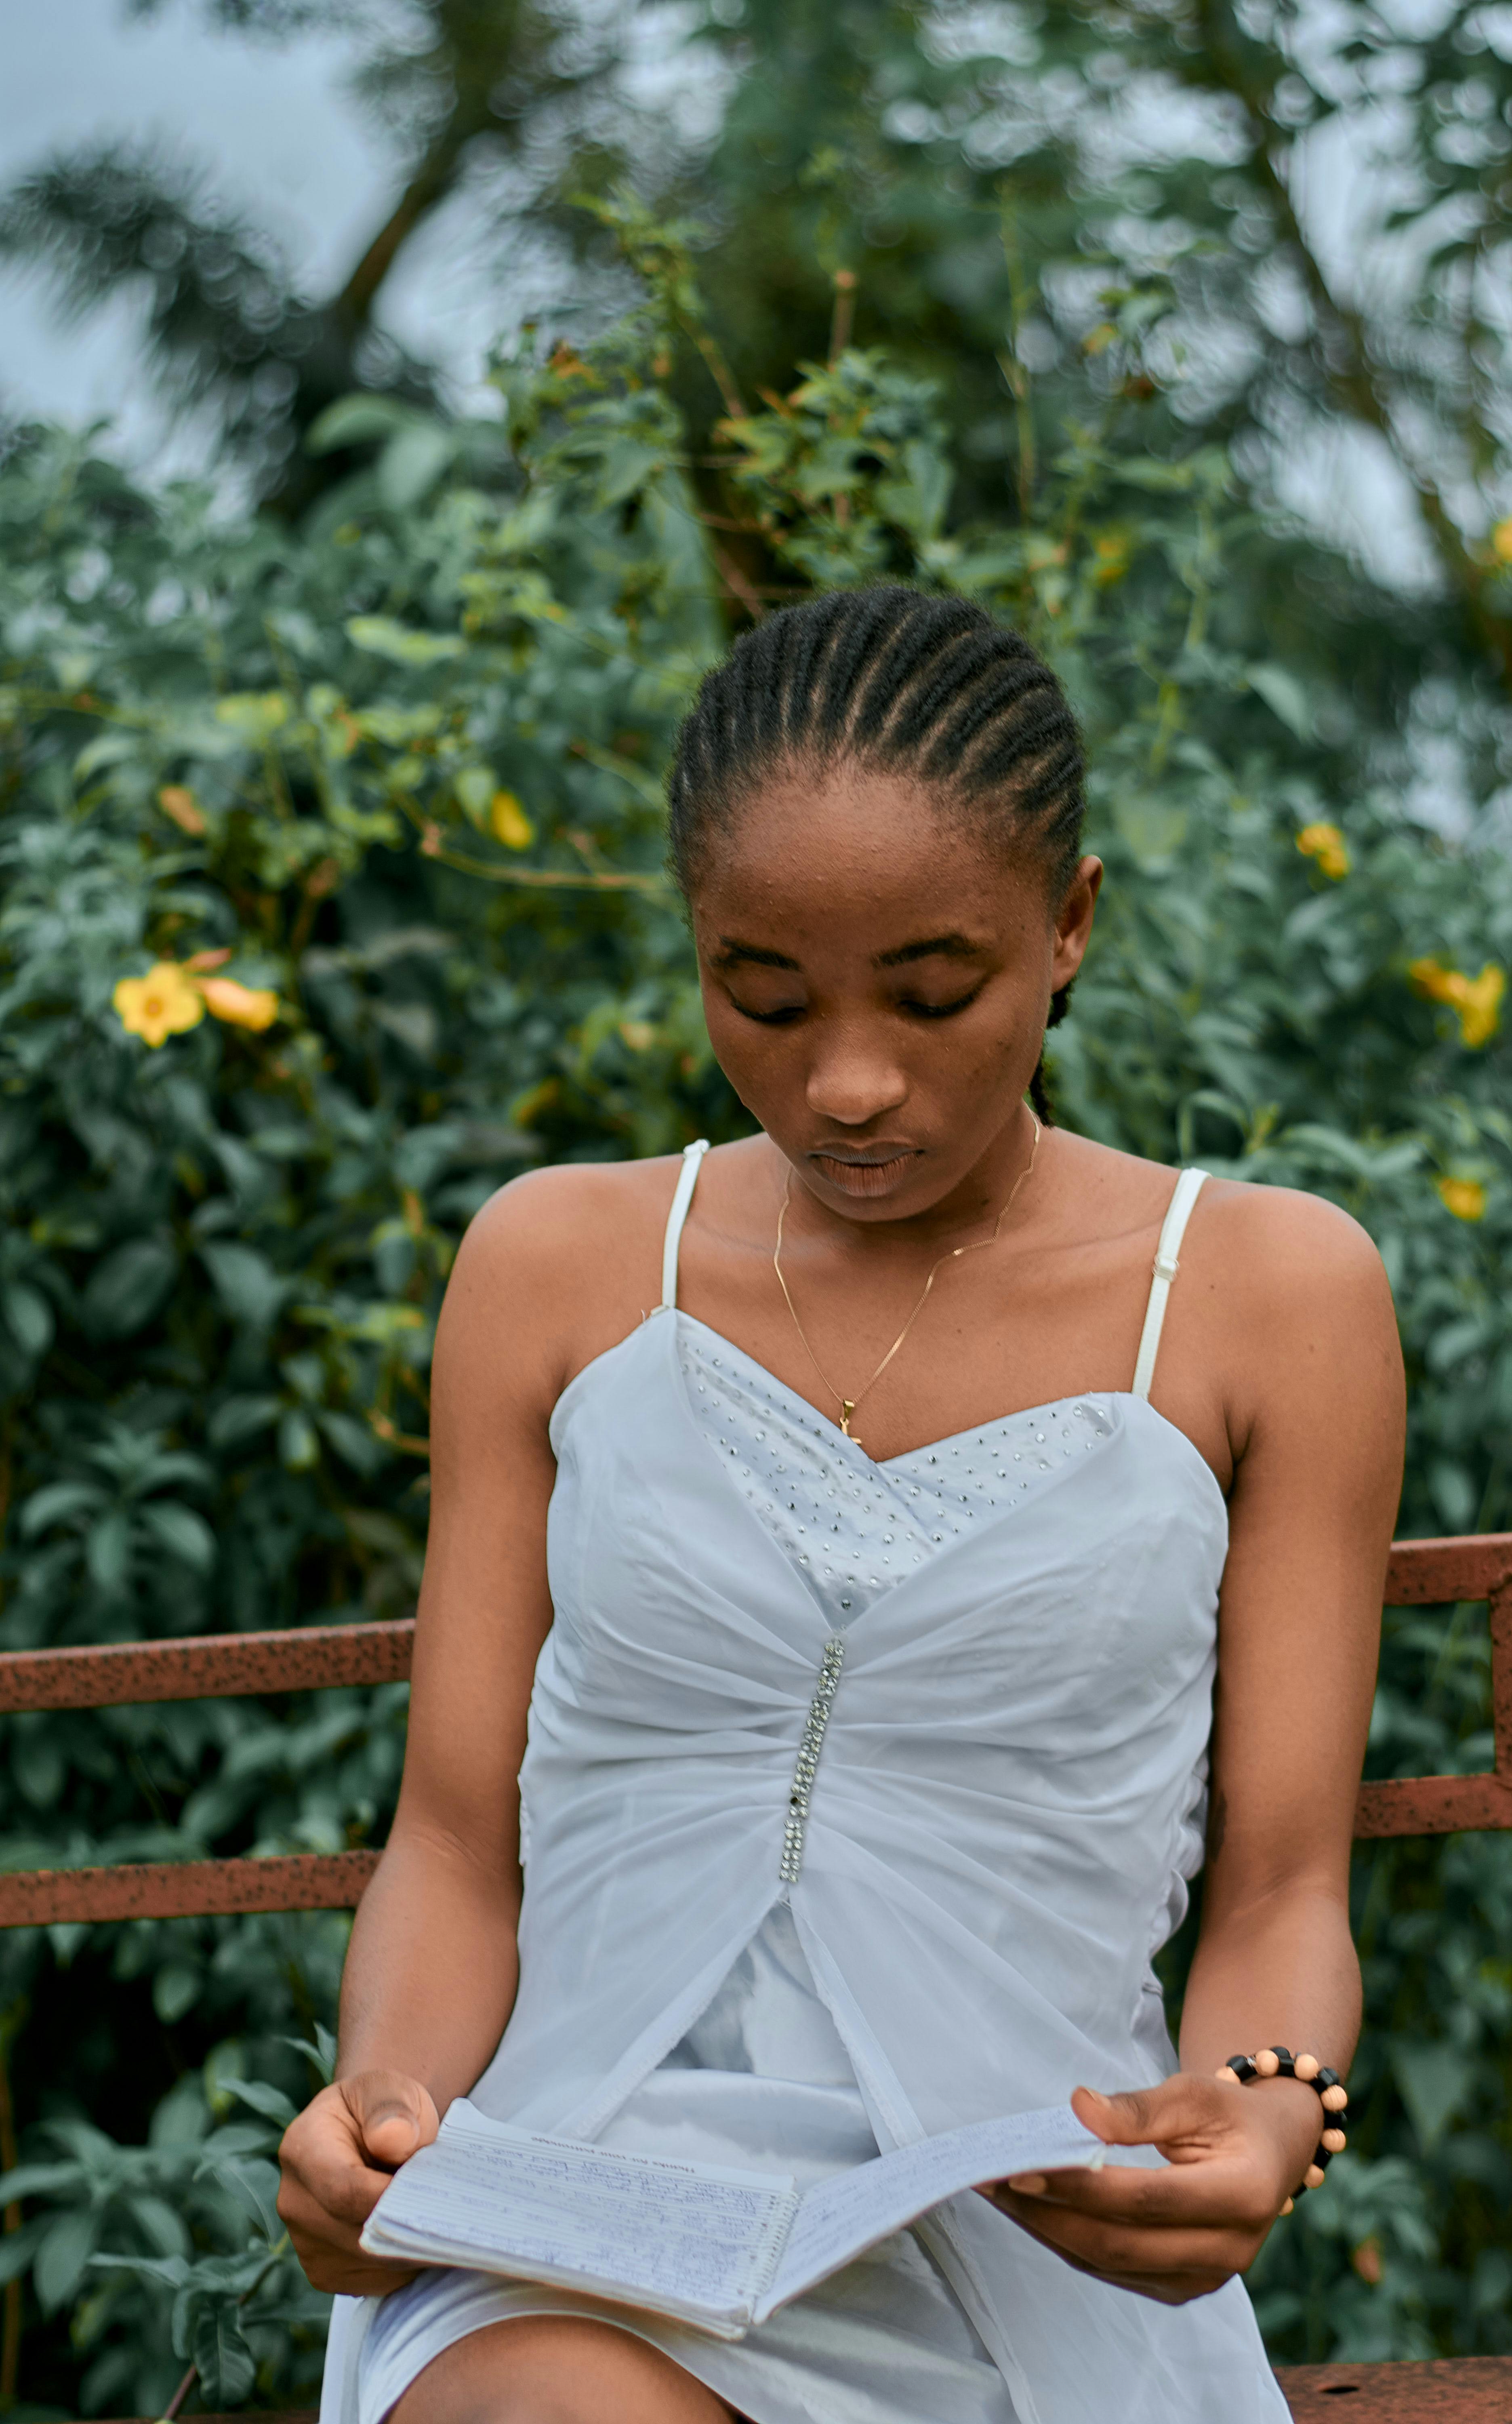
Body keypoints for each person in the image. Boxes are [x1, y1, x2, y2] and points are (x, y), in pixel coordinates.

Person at [280, 585, 1404, 2424]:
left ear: (1071, 927)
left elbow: (1283, 1879)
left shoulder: (1271, 1296)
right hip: (573, 2224)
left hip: (1024, 2225)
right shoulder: (556, 1265)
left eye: (937, 992)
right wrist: (388, 2117)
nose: (850, 1083)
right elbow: (458, 1835)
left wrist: (1269, 2111)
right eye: (765, 997)